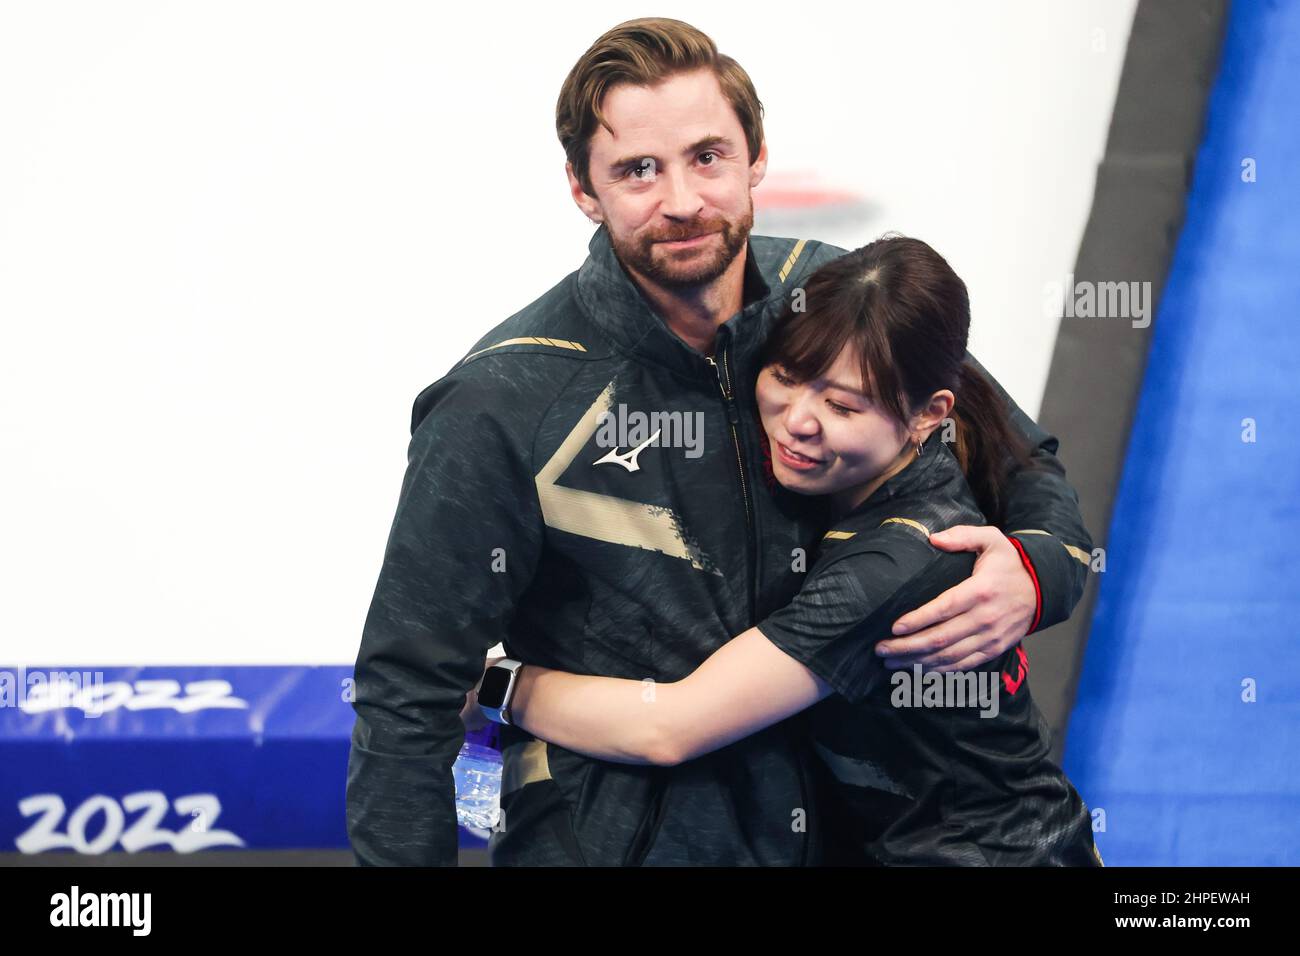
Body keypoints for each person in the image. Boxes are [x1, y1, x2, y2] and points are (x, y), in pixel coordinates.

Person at [346, 17, 1093, 866]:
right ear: (582, 188)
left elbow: (1016, 455)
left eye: (707, 157)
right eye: (638, 170)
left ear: (756, 157)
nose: (682, 202)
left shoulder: (831, 296)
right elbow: (406, 694)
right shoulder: (503, 401)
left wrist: (1038, 570)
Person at [495, 235, 1103, 865]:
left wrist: (496, 685)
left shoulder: (897, 563)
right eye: (786, 377)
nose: (797, 422)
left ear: (928, 415)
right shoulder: (878, 472)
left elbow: (668, 727)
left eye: (842, 405)